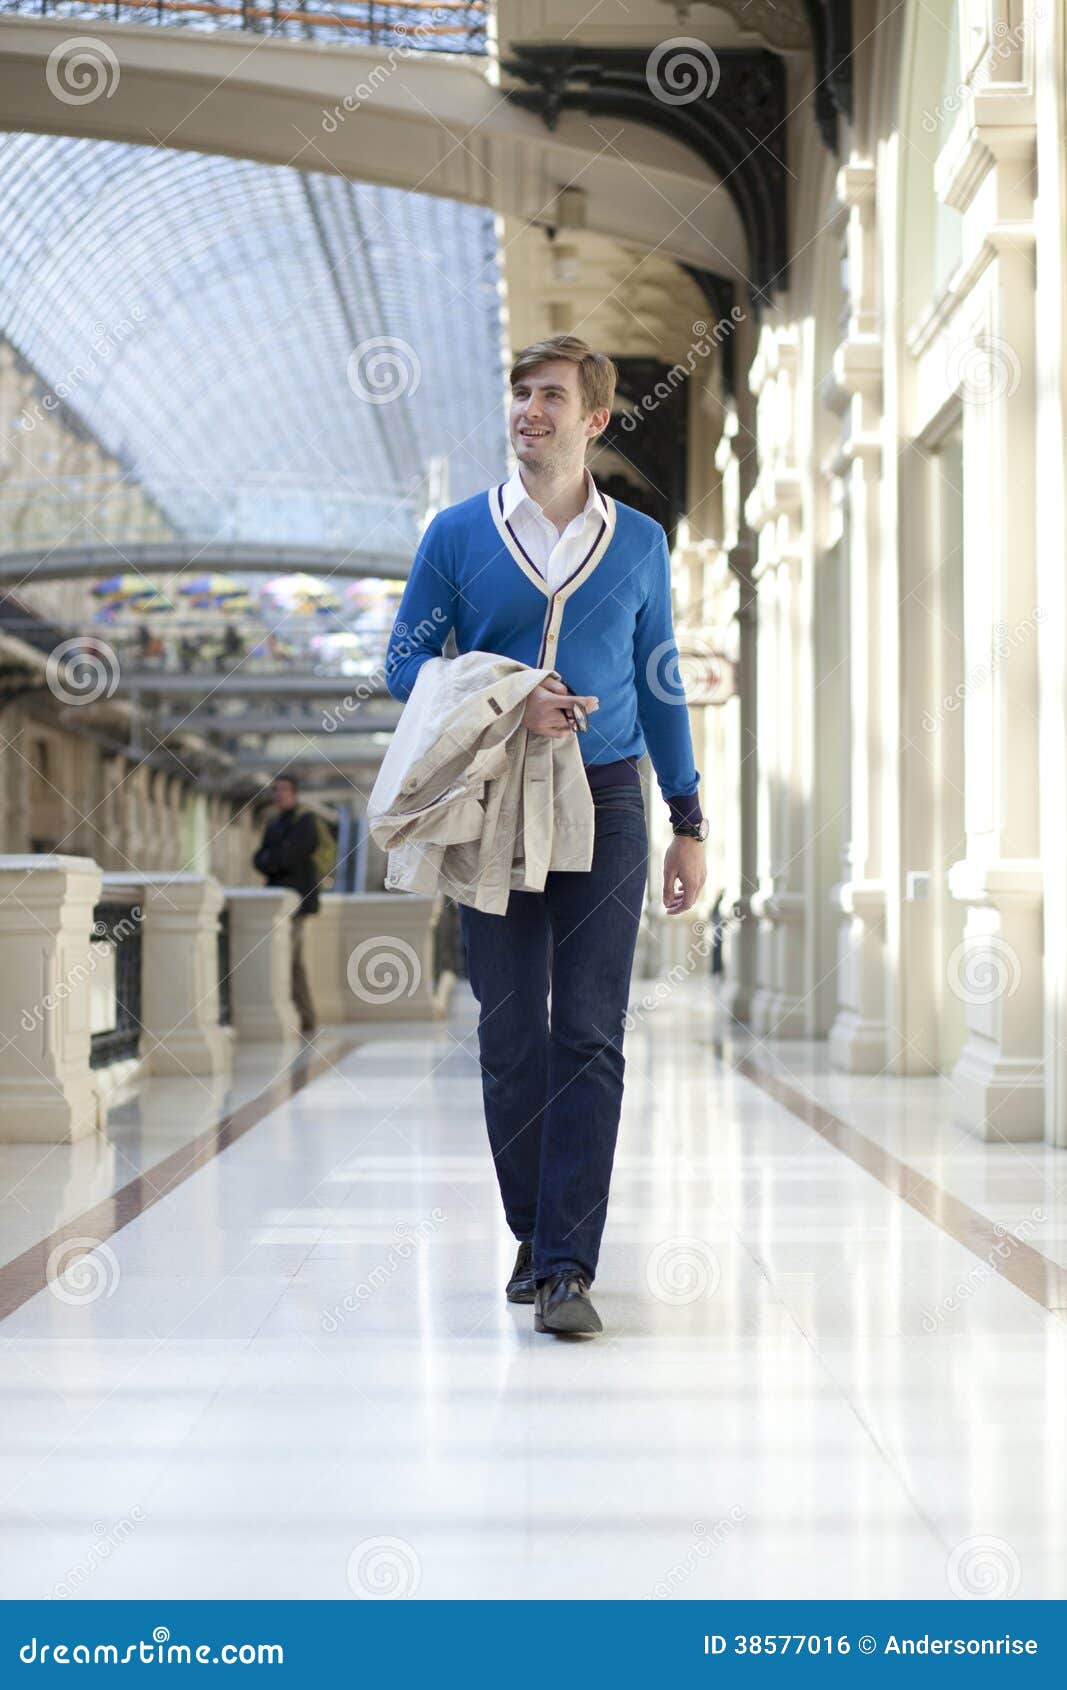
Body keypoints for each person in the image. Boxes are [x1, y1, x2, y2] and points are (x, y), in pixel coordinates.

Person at [385, 335, 707, 1338]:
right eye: (520, 392)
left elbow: (660, 680)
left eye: (550, 395)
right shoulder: (455, 534)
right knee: (510, 1029)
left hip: (610, 796)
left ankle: (567, 1264)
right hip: (494, 797)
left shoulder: (639, 542)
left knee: (590, 1030)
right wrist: (505, 697)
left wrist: (688, 818)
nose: (528, 408)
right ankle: (532, 1230)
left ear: (593, 419)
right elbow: (401, 664)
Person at [252, 773, 320, 1035]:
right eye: (276, 790)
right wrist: (274, 859)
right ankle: (297, 1015)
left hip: (298, 904)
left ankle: (305, 1016)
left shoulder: (306, 821)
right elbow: (258, 859)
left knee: (291, 960)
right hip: (277, 904)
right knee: (284, 960)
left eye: (284, 790)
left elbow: (289, 856)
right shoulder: (274, 823)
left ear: (295, 793)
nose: (279, 795)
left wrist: (273, 860)